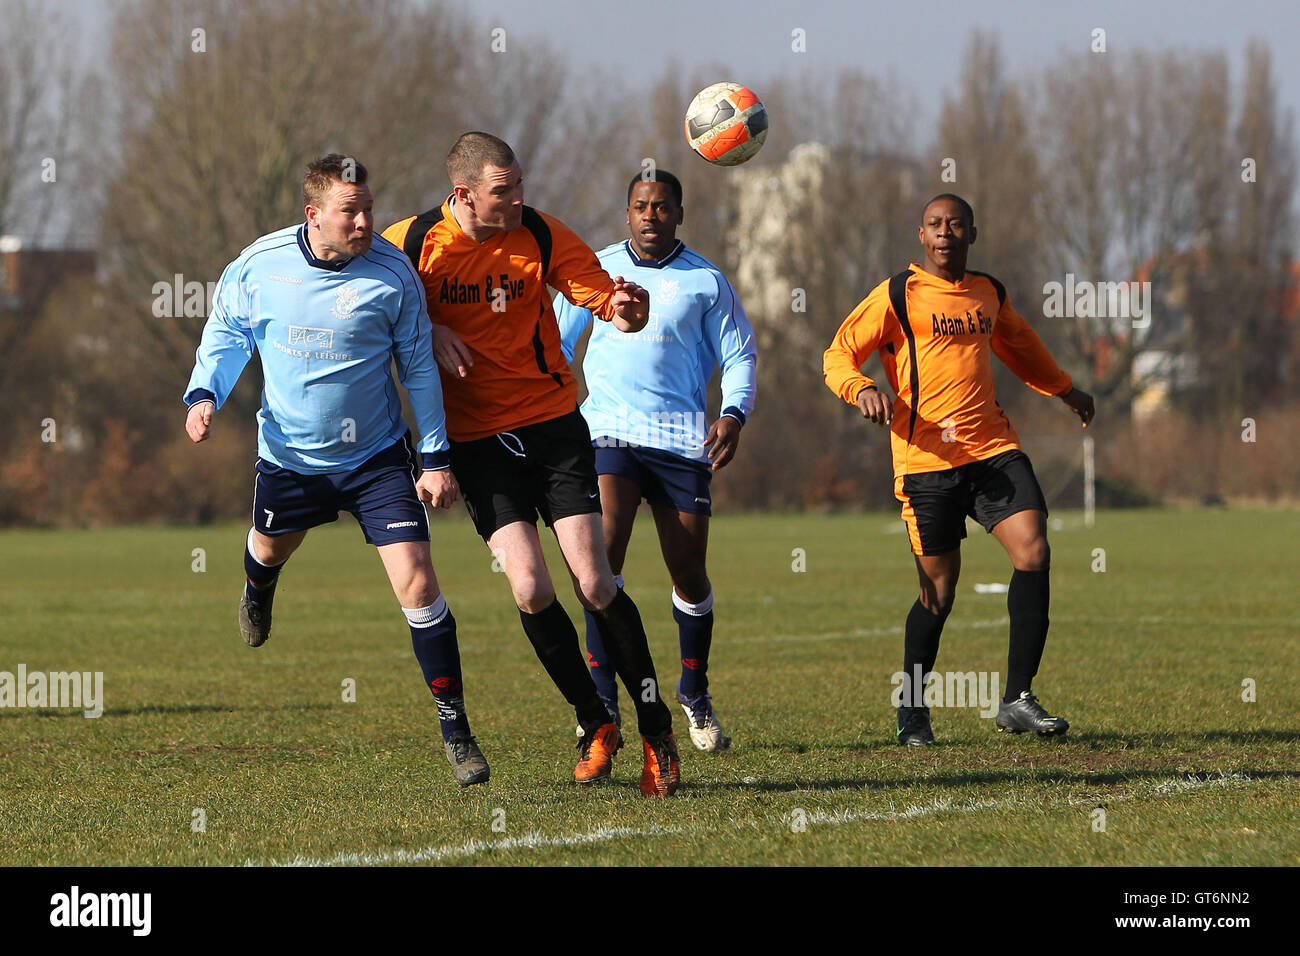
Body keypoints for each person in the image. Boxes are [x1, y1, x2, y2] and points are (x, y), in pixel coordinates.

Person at [381, 132, 681, 796]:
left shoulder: (540, 234)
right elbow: (378, 319)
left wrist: (629, 310)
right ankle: (594, 720)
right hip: (477, 445)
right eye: (502, 191)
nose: (519, 199)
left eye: (520, 185)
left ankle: (657, 730)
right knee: (529, 589)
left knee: (596, 584)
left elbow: (607, 301)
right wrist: (428, 329)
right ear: (462, 195)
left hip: (552, 431)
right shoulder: (410, 246)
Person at [183, 154, 488, 787]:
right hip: (291, 457)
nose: (363, 221)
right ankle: (259, 587)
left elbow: (419, 368)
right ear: (313, 214)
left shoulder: (392, 272)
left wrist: (434, 457)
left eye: (369, 208)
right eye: (350, 211)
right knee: (268, 550)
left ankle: (455, 726)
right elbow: (229, 332)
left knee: (419, 585)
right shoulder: (260, 264)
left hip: (375, 458)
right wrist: (204, 393)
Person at [823, 193, 1095, 746]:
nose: (945, 232)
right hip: (926, 463)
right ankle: (913, 708)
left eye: (956, 224)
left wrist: (1065, 389)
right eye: (935, 224)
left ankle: (1018, 697)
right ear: (921, 236)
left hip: (992, 449)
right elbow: (837, 355)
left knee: (1034, 549)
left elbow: (1021, 347)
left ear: (973, 233)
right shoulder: (898, 294)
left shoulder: (989, 292)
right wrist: (863, 388)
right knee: (938, 594)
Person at [555, 170, 757, 752]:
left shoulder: (705, 280)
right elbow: (558, 343)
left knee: (688, 570)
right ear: (627, 213)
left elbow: (739, 353)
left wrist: (734, 414)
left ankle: (694, 691)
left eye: (663, 207)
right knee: (600, 562)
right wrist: (556, 410)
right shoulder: (594, 271)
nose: (651, 215)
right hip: (608, 433)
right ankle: (602, 703)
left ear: (679, 214)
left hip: (680, 439)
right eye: (642, 205)